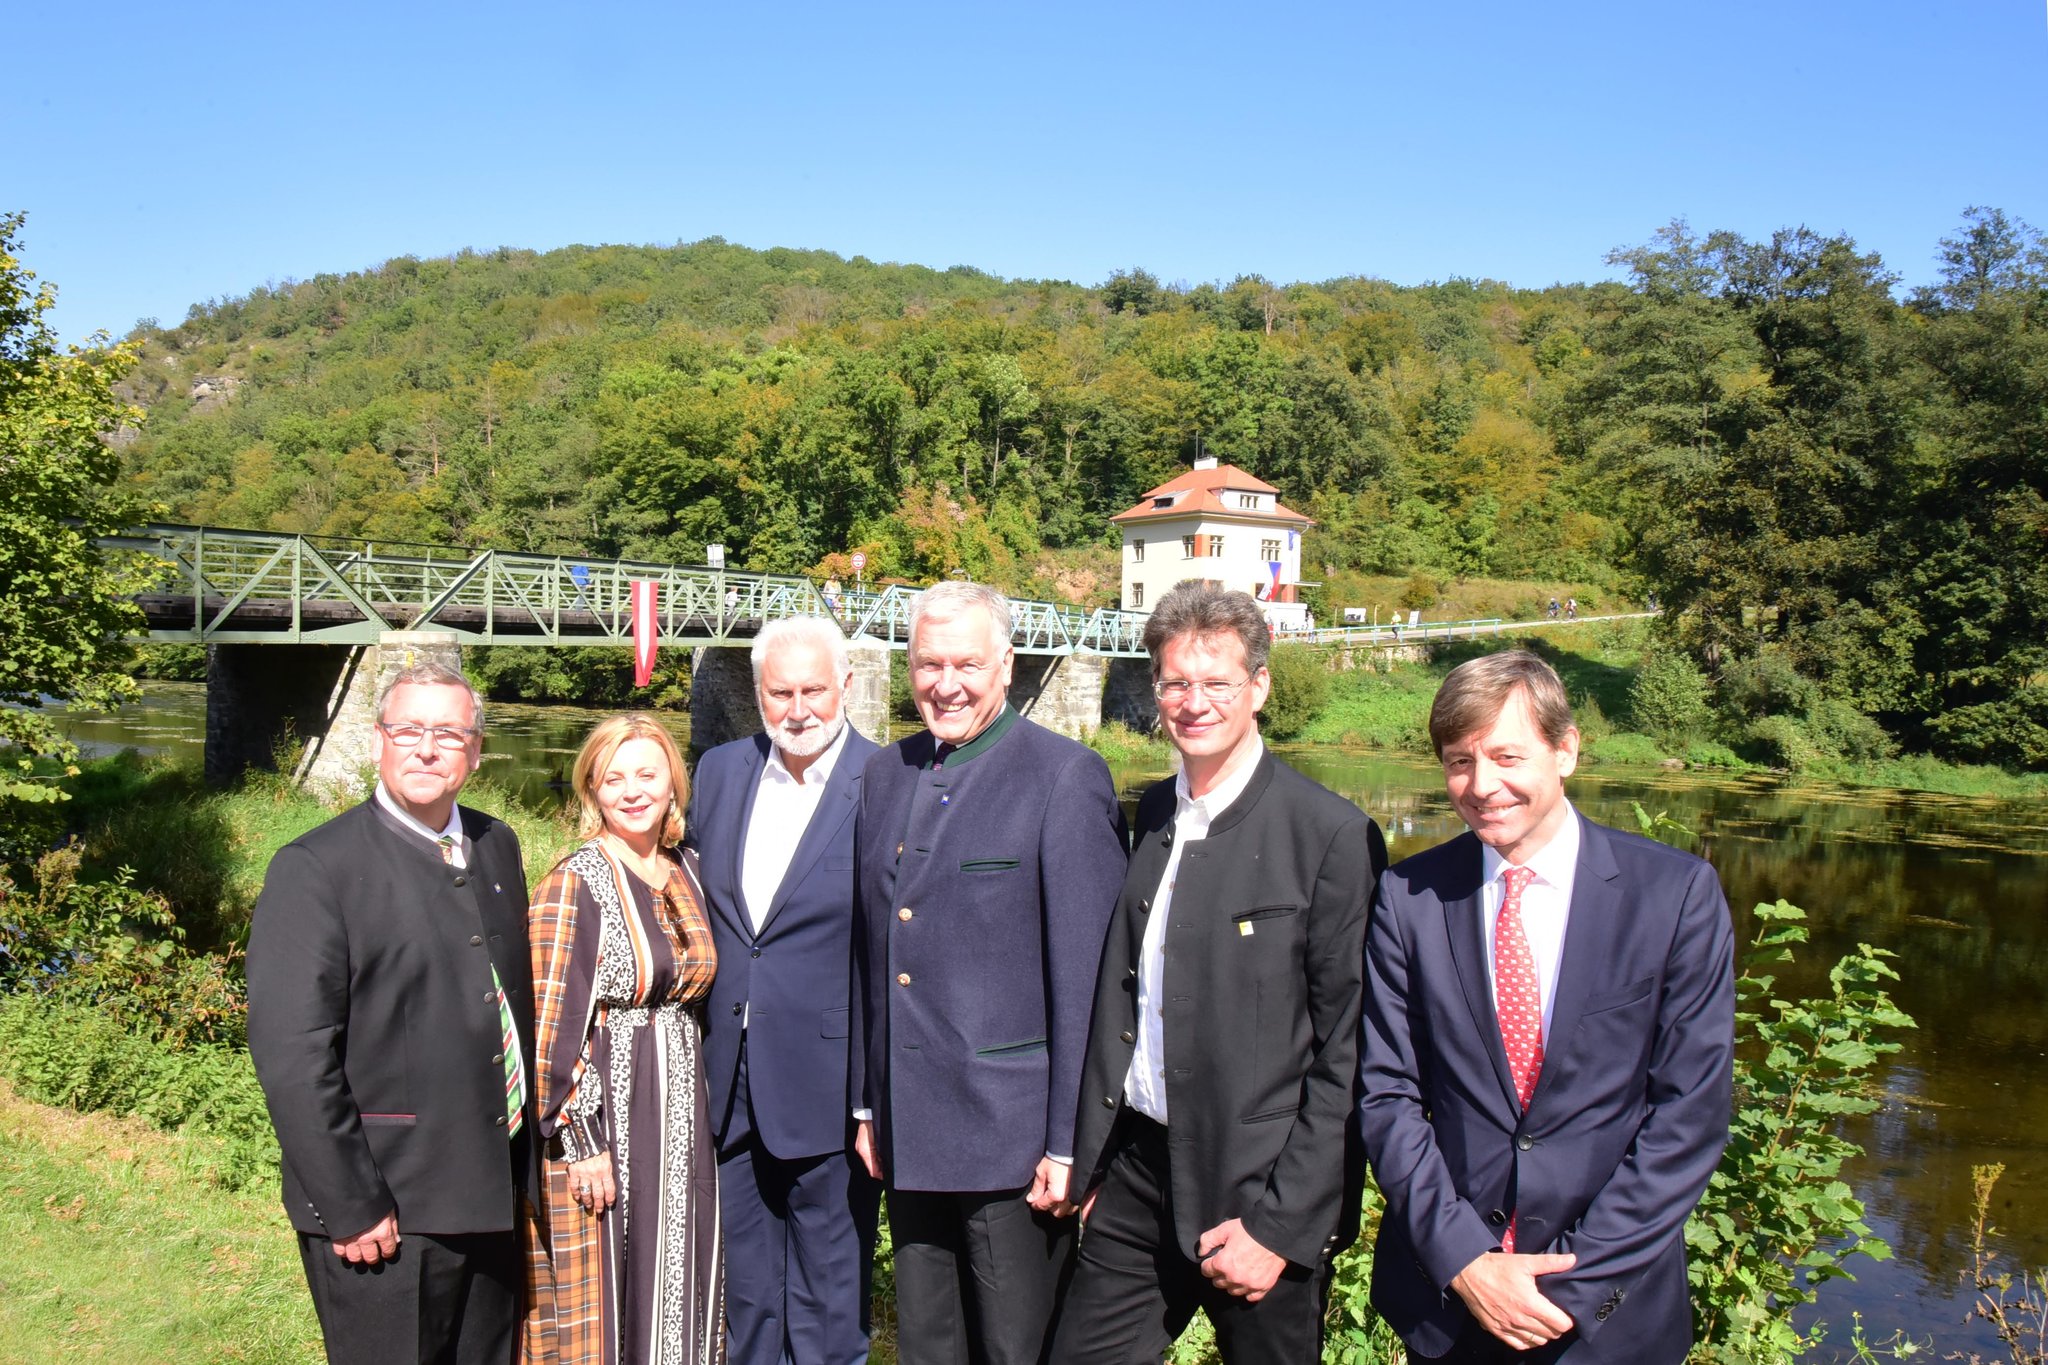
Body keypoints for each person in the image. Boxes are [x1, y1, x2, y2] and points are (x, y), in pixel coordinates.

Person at [1358, 650, 1735, 1362]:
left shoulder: (1673, 895)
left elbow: (1688, 1114)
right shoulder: (1410, 897)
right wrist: (1467, 1260)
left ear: (1566, 750)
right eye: (1459, 761)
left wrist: (1574, 1281)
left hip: (1607, 1315)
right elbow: (1386, 1095)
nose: (1482, 784)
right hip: (1451, 1305)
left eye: (1506, 755)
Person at [1052, 585, 1388, 1363]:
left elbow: (1347, 1054)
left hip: (1258, 1185)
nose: (1193, 702)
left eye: (1217, 683)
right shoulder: (1155, 812)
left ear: (1259, 686)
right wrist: (1099, 1158)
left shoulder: (1330, 836)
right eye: (1175, 682)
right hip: (1139, 1168)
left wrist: (1285, 1224)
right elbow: (1127, 997)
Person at [850, 581, 1128, 1365]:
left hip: (1015, 1143)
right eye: (927, 663)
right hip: (909, 1127)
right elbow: (875, 953)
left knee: (1016, 1348)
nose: (946, 683)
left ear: (1006, 663)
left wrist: (1072, 1144)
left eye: (966, 663)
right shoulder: (886, 773)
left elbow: (1088, 980)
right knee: (929, 1345)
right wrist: (869, 1102)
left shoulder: (1063, 775)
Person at [248, 660, 536, 1365]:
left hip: (491, 1195)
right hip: (387, 1208)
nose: (427, 747)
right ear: (379, 739)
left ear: (475, 749)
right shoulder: (316, 867)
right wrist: (351, 1200)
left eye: (448, 732)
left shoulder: (497, 843)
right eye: (408, 728)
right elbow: (294, 1053)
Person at [686, 618, 882, 1365]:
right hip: (728, 1081)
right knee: (746, 1298)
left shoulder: (887, 780)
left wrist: (873, 1098)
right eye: (779, 693)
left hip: (831, 1094)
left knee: (830, 1304)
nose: (797, 709)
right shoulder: (721, 770)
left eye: (813, 691)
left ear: (846, 688)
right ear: (757, 693)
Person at [522, 714, 722, 1365]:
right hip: (612, 1122)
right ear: (592, 789)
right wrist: (581, 1140)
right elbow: (548, 1025)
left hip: (684, 1113)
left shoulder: (689, 867)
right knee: (608, 1298)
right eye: (614, 777)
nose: (632, 790)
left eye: (647, 773)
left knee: (681, 1275)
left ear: (673, 784)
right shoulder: (574, 882)